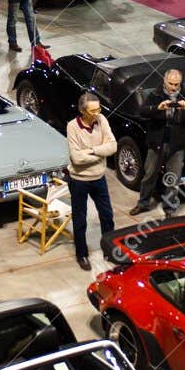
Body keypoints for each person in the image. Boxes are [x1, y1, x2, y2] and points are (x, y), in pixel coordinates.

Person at [65, 92, 117, 272]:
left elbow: (113, 146)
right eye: (93, 111)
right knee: (80, 219)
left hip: (99, 178)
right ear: (82, 111)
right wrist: (100, 153)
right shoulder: (72, 126)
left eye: (99, 109)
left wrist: (91, 151)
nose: (97, 113)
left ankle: (109, 250)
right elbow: (76, 159)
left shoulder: (102, 119)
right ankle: (82, 254)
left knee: (107, 215)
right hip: (79, 180)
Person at [133, 69, 185, 216]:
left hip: (176, 145)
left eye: (176, 84)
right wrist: (157, 108)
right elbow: (142, 111)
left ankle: (169, 209)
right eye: (170, 83)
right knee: (149, 175)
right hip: (157, 143)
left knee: (173, 178)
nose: (173, 87)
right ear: (164, 81)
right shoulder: (155, 95)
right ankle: (143, 203)